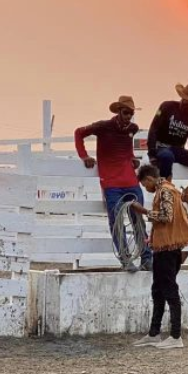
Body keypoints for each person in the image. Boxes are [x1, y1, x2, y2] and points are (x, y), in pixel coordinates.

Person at [75, 95, 152, 272]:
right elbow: (79, 132)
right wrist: (84, 155)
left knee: (137, 218)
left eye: (131, 113)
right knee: (117, 221)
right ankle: (125, 259)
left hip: (129, 180)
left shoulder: (132, 128)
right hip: (111, 182)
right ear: (118, 111)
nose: (128, 116)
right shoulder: (103, 126)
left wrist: (132, 158)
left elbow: (127, 148)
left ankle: (147, 257)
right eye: (125, 112)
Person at [130, 164, 188, 350]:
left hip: (167, 249)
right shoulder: (169, 190)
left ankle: (175, 336)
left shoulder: (165, 191)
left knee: (168, 290)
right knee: (159, 290)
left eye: (144, 184)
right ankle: (154, 333)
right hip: (167, 248)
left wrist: (142, 211)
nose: (145, 188)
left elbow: (166, 216)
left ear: (149, 179)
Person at [147, 81, 188, 213]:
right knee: (167, 156)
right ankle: (164, 195)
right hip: (162, 147)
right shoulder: (167, 106)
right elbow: (153, 129)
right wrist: (152, 153)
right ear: (182, 97)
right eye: (187, 100)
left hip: (178, 149)